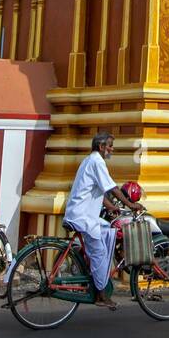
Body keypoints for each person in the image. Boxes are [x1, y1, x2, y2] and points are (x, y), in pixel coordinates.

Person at [63, 131, 144, 308]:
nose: (112, 150)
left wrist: (110, 207)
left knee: (108, 231)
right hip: (82, 216)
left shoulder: (88, 160)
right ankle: (101, 295)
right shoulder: (97, 162)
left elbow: (97, 190)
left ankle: (96, 274)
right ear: (101, 147)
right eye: (110, 146)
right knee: (99, 253)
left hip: (82, 214)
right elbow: (112, 188)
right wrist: (131, 205)